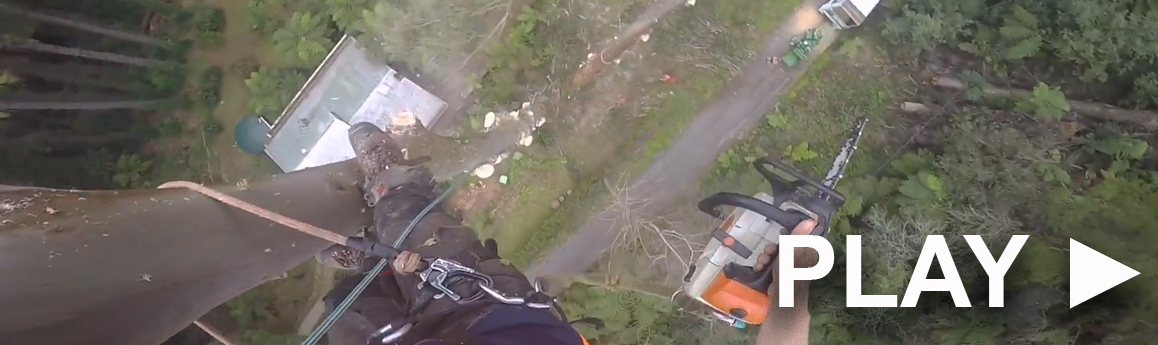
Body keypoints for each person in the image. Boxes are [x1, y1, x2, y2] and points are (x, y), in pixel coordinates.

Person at [318, 122, 815, 345]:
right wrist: (792, 282)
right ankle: (392, 187)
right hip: (491, 311)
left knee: (352, 304)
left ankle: (371, 263)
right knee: (414, 228)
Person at [316, 122, 584, 345]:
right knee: (408, 224)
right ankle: (393, 181)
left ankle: (370, 261)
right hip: (489, 313)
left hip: (426, 331)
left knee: (348, 308)